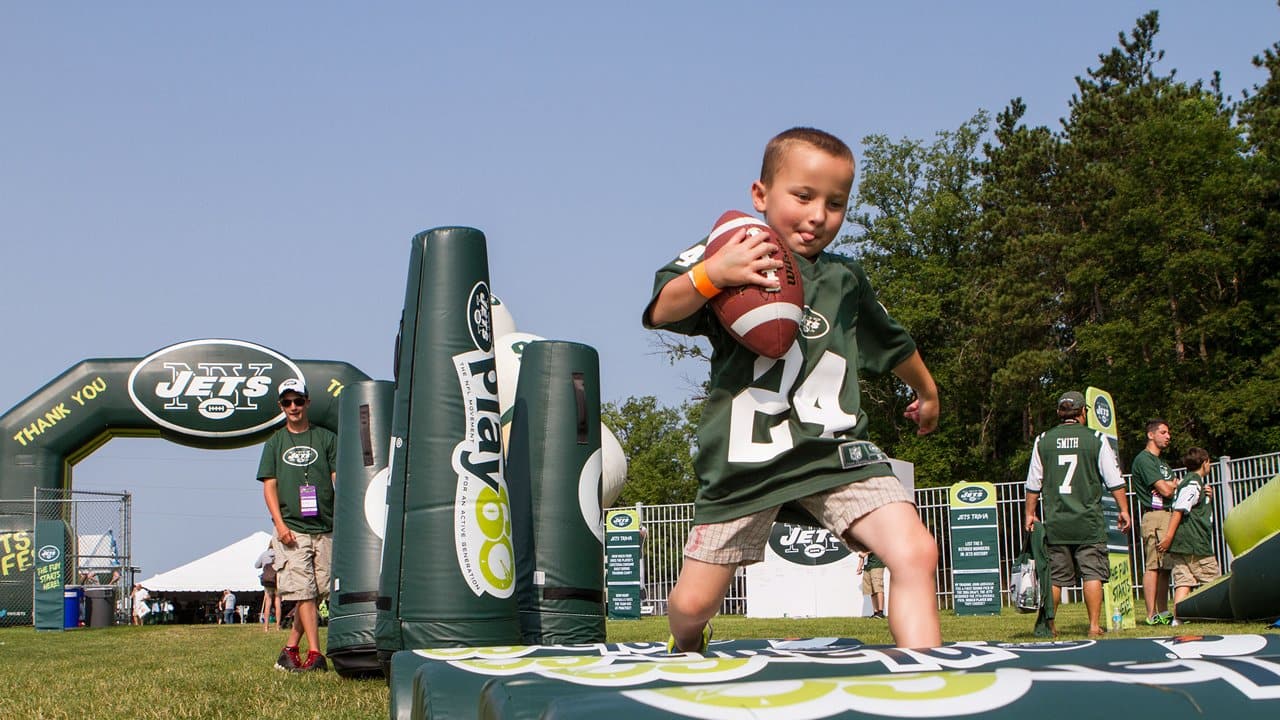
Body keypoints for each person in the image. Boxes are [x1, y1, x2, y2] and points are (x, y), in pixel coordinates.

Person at [643, 127, 942, 651]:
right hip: (748, 462)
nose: (818, 215)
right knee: (689, 606)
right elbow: (661, 309)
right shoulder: (733, 254)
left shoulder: (845, 279)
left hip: (835, 453)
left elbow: (894, 344)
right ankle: (688, 644)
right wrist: (714, 275)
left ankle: (926, 677)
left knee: (916, 551)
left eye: (835, 203)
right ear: (760, 195)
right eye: (803, 196)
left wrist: (929, 392)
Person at [1024, 391, 1132, 637]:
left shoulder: (1043, 440)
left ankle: (1050, 625)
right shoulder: (1096, 439)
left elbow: (1033, 483)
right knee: (1092, 573)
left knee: (1055, 577)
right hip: (1088, 521)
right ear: (1083, 412)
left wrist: (1030, 513)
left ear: (1059, 413)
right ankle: (1093, 626)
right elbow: (1114, 480)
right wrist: (1124, 510)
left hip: (1057, 521)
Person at [258, 378, 337, 672]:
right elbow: (269, 487)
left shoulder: (326, 438)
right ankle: (315, 654)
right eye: (287, 402)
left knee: (318, 591)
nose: (293, 407)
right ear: (281, 406)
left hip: (325, 526)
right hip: (292, 528)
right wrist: (280, 526)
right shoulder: (275, 443)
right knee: (303, 591)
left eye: (298, 401)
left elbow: (337, 477)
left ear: (307, 402)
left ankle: (290, 649)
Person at [1157, 447, 1221, 626]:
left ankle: (1178, 617)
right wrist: (1168, 537)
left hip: (1182, 544)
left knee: (1184, 581)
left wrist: (1208, 498)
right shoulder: (1193, 483)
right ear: (1205, 463)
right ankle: (1216, 614)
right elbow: (1179, 510)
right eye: (1209, 462)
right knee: (1212, 579)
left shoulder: (1191, 482)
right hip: (1194, 542)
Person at [1130, 418, 1176, 625]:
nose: (1168, 436)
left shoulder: (1162, 463)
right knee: (1153, 565)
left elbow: (1169, 487)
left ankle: (1163, 611)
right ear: (1151, 435)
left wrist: (1171, 485)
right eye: (1163, 432)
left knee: (1165, 566)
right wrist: (1172, 485)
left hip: (1168, 514)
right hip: (1155, 515)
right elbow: (1166, 490)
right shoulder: (1144, 460)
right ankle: (1151, 614)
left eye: (1168, 433)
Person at [256, 540, 282, 631]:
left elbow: (256, 565)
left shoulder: (264, 554)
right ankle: (277, 626)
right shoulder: (280, 554)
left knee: (268, 602)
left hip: (267, 580)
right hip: (277, 580)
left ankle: (266, 627)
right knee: (278, 602)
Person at [858, 551, 886, 618]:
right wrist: (860, 566)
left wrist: (865, 553)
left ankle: (880, 612)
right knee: (871, 590)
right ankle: (875, 612)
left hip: (877, 564)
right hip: (867, 567)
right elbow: (862, 555)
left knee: (878, 587)